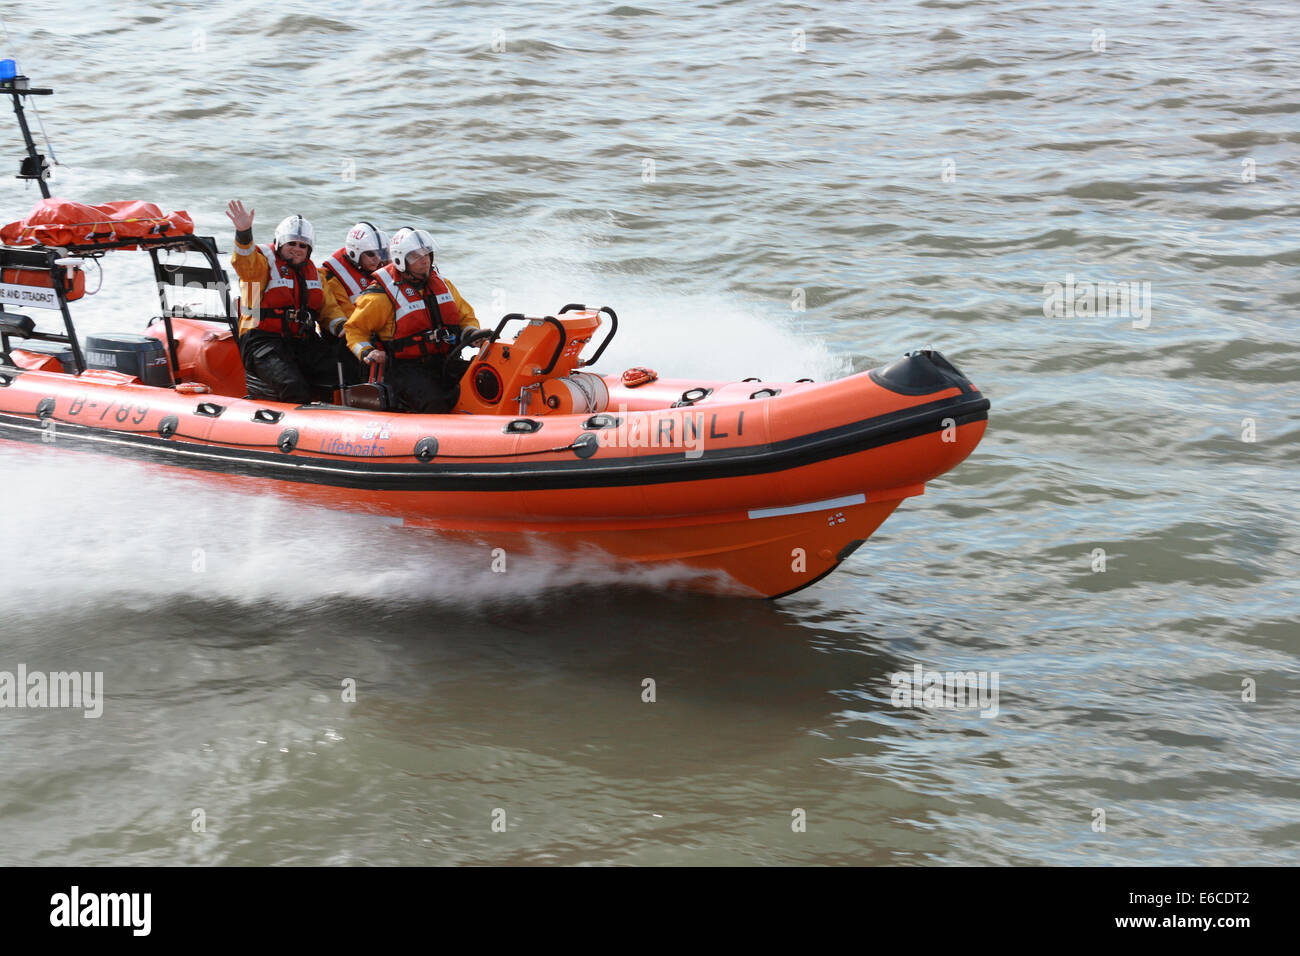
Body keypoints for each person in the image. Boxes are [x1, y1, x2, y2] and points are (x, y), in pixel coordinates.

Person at [344, 227, 488, 413]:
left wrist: (473, 334)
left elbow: (465, 317)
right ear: (400, 260)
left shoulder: (443, 285)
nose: (425, 260)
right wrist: (367, 352)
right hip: (403, 369)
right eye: (416, 256)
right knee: (434, 401)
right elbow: (354, 331)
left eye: (427, 254)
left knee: (483, 378)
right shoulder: (380, 296)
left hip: (443, 361)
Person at [225, 200, 339, 403]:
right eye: (291, 244)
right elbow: (244, 264)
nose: (297, 249)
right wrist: (244, 233)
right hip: (262, 340)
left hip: (301, 340)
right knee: (292, 385)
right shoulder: (262, 263)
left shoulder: (316, 275)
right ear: (279, 243)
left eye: (302, 245)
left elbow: (329, 310)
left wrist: (344, 328)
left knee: (340, 371)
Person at [318, 221, 389, 386]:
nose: (378, 259)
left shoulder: (381, 271)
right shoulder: (332, 278)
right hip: (347, 341)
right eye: (371, 254)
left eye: (381, 253)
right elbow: (341, 315)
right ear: (355, 253)